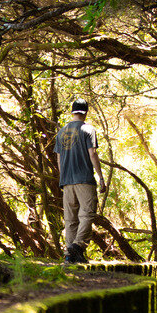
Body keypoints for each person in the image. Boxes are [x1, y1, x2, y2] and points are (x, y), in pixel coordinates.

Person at [54, 98, 106, 265]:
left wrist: (63, 178)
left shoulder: (61, 132)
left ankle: (70, 256)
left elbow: (59, 159)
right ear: (86, 112)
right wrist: (100, 177)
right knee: (88, 213)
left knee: (70, 218)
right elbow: (92, 154)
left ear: (72, 111)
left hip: (67, 180)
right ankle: (76, 246)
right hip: (84, 178)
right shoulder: (88, 130)